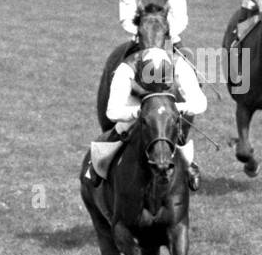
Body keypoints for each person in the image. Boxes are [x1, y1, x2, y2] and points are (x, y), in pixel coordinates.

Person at [86, 48, 207, 191]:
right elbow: (112, 112)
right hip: (137, 100)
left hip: (167, 102)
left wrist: (175, 109)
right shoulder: (126, 69)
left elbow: (200, 103)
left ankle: (188, 162)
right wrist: (140, 111)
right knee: (123, 126)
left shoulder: (180, 64)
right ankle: (101, 160)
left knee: (169, 127)